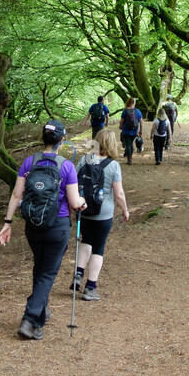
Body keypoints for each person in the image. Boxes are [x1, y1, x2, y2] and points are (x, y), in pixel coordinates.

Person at [0, 119, 86, 340]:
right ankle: (29, 319)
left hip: (33, 225)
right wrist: (83, 202)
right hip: (58, 226)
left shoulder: (29, 162)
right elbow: (75, 202)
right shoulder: (66, 166)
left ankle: (41, 311)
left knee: (40, 267)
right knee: (47, 272)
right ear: (62, 140)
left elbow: (16, 195)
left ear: (43, 137)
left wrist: (8, 223)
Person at [71, 129, 129, 301]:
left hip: (84, 209)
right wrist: (125, 209)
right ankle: (90, 287)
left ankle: (78, 274)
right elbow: (119, 193)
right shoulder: (114, 165)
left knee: (86, 240)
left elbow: (74, 182)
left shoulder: (85, 160)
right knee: (98, 248)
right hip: (103, 214)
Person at [118, 97, 142, 162]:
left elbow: (122, 121)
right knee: (130, 143)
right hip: (134, 131)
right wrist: (141, 130)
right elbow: (141, 121)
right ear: (134, 103)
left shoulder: (125, 111)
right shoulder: (137, 111)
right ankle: (130, 157)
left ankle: (129, 159)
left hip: (126, 131)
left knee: (128, 144)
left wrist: (120, 126)